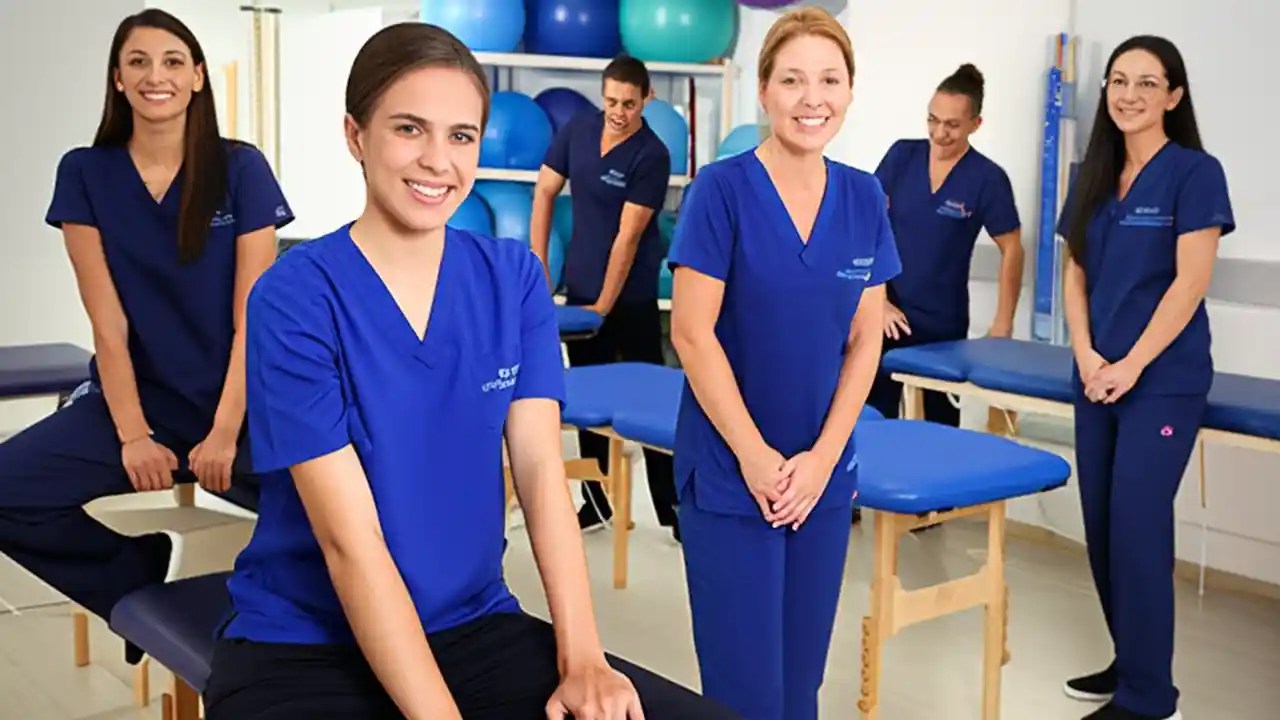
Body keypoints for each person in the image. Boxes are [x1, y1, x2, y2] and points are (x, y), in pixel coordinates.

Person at [202, 22, 737, 720]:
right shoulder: (294, 296)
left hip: (470, 627)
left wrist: (582, 659)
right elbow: (349, 542)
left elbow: (544, 474)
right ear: (355, 136)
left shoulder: (512, 280)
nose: (437, 161)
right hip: (306, 644)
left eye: (460, 136)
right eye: (408, 129)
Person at [0, 8, 290, 652]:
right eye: (138, 62)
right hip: (137, 404)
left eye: (171, 61)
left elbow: (255, 320)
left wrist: (222, 430)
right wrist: (133, 435)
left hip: (241, 407)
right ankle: (129, 578)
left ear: (197, 78)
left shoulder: (241, 168)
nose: (155, 75)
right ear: (118, 80)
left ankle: (283, 637)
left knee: (341, 510)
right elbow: (108, 325)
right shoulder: (84, 172)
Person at [666, 7, 898, 719]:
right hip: (734, 476)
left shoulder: (864, 196)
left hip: (821, 477)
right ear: (764, 91)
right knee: (745, 693)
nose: (812, 98)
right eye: (792, 80)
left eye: (829, 80)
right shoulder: (722, 191)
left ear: (850, 92)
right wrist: (759, 458)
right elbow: (692, 333)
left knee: (801, 686)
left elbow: (865, 340)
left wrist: (824, 458)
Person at [1057, 35, 1230, 720]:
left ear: (1174, 96)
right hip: (1097, 376)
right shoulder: (1092, 171)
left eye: (1147, 83)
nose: (1129, 94)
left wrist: (1130, 364)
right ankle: (1132, 661)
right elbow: (1074, 270)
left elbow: (1190, 282)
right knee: (1100, 524)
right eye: (1118, 81)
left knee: (1136, 524)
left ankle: (1151, 699)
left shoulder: (1195, 172)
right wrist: (1087, 355)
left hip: (1162, 380)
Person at [530, 55, 678, 540]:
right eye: (612, 100)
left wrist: (604, 308)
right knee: (587, 399)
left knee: (651, 402)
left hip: (629, 297)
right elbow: (544, 193)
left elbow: (628, 238)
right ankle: (597, 504)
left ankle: (672, 511)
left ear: (647, 99)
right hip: (582, 284)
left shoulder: (652, 155)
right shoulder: (576, 131)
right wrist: (538, 270)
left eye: (629, 103)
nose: (619, 111)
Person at [867, 63, 1024, 428]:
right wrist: (878, 300)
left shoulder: (987, 179)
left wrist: (1003, 323)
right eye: (932, 120)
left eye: (952, 124)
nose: (939, 133)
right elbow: (867, 226)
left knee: (937, 429)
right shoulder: (901, 157)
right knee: (875, 419)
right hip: (886, 316)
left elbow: (1012, 248)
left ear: (975, 124)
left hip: (941, 324)